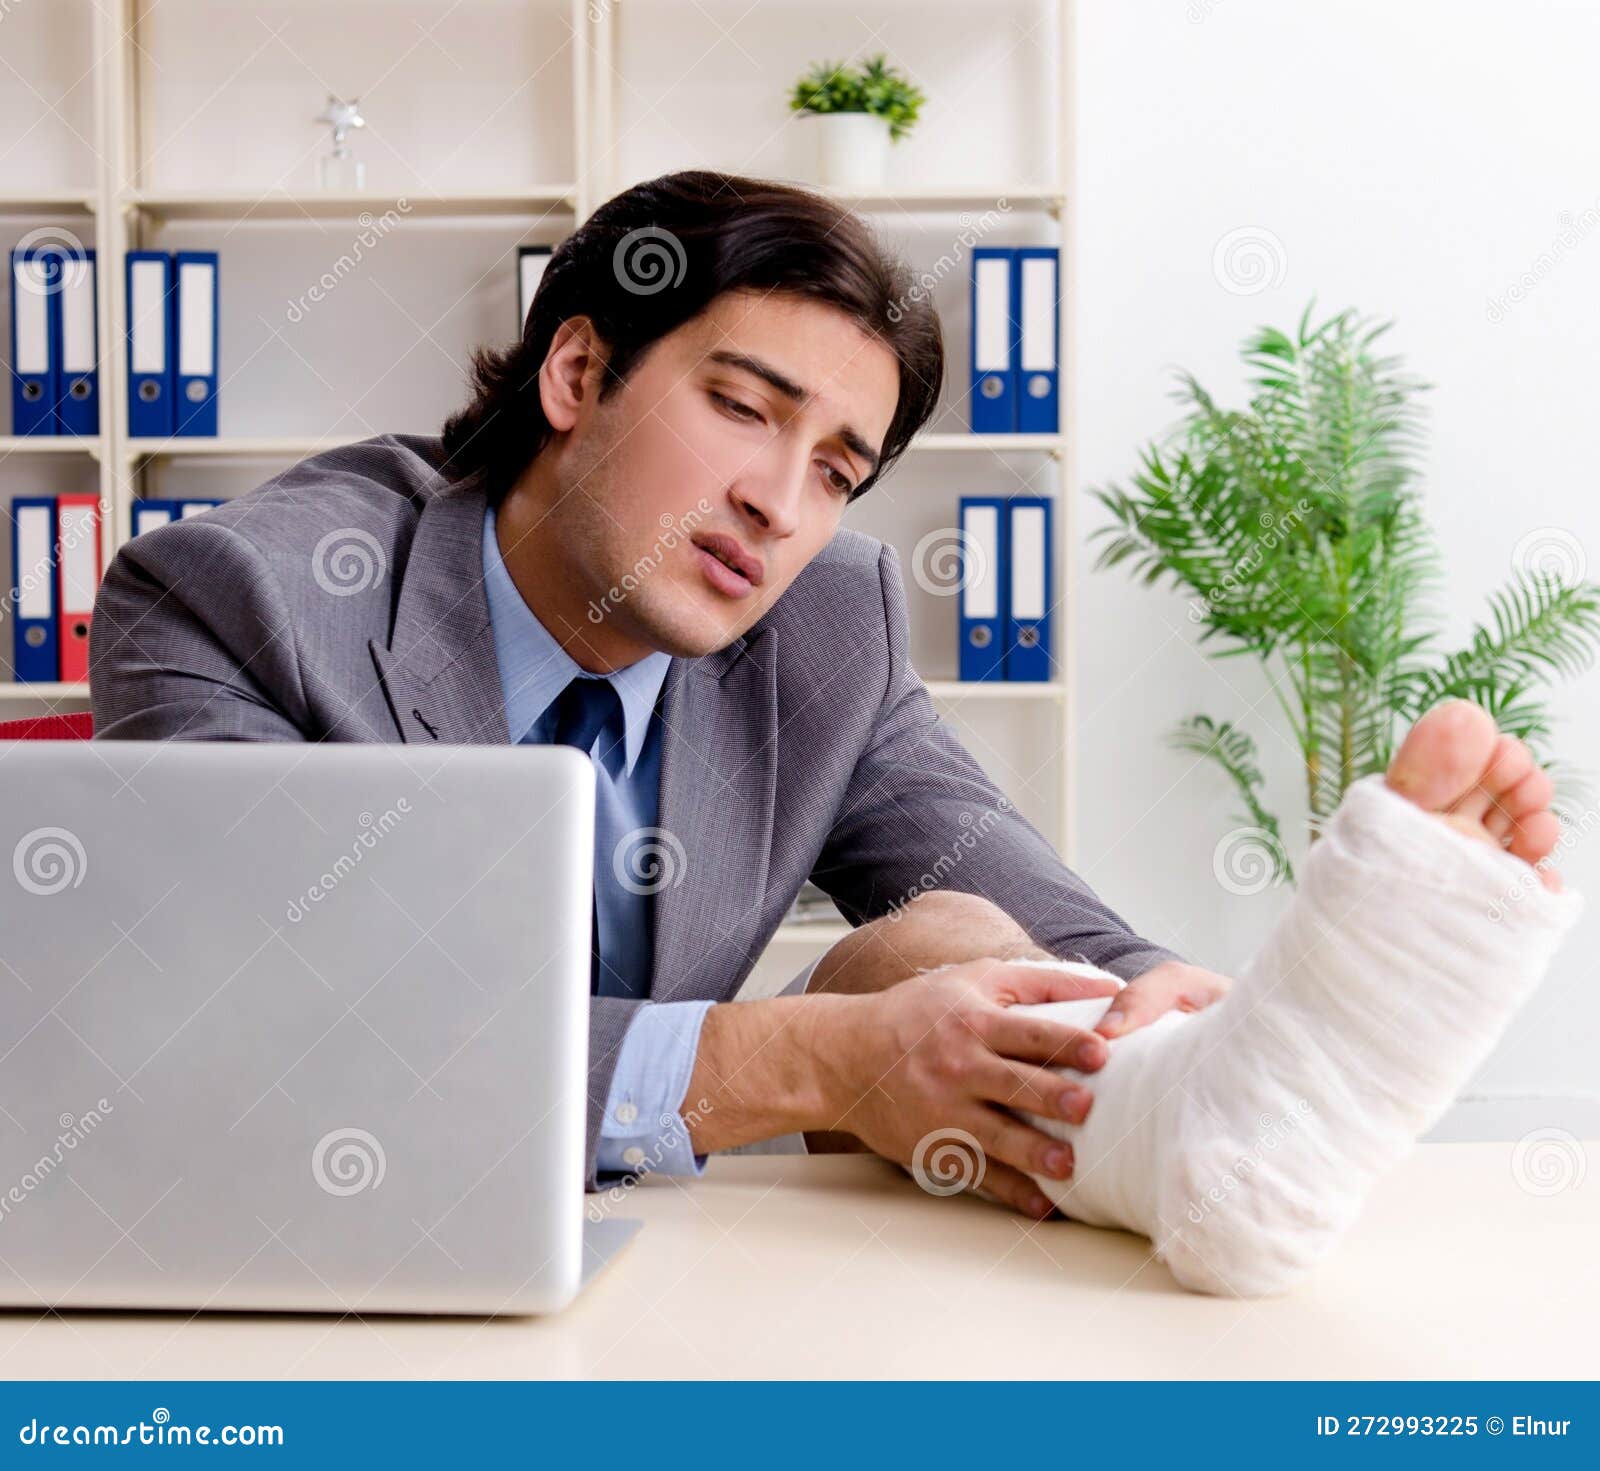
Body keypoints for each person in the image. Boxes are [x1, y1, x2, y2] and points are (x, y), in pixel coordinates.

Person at [95, 168, 1242, 1204]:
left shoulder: (829, 624)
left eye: (837, 469)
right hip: (318, 1248)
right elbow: (269, 1051)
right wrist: (826, 1059)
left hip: (652, 1282)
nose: (779, 505)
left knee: (958, 941)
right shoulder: (242, 599)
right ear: (578, 371)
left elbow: (1059, 930)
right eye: (744, 409)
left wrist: (1167, 1022)